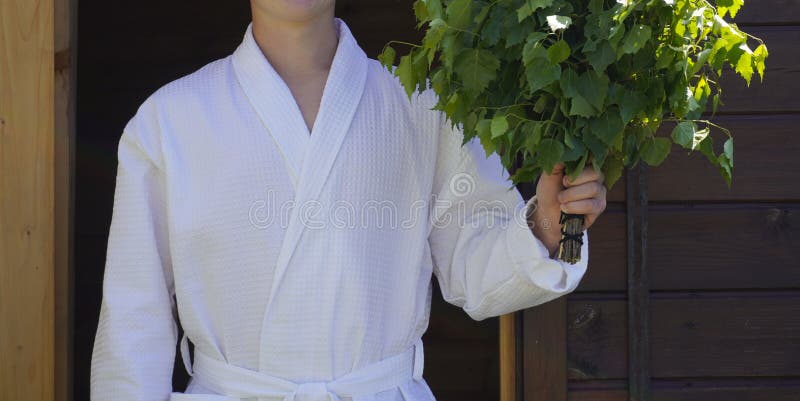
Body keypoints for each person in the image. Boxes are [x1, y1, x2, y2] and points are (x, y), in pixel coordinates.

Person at [89, 1, 607, 400]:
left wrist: (546, 224)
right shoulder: (168, 122)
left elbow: (476, 267)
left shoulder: (424, 107)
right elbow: (134, 327)